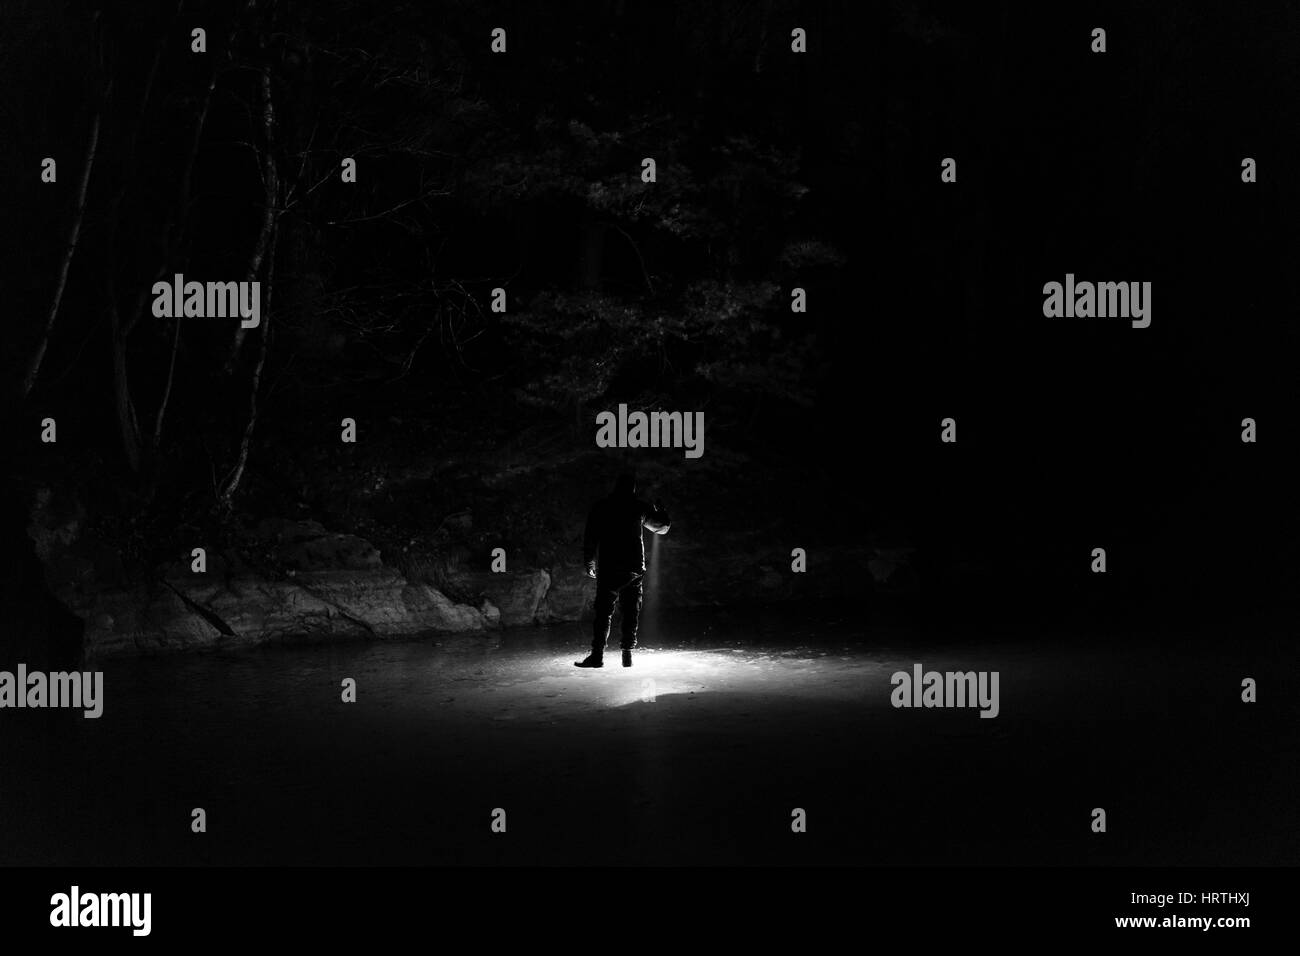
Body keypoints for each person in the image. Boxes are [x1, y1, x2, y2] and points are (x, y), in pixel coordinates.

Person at [575, 473, 670, 668]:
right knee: (631, 610)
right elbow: (661, 527)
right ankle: (627, 656)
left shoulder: (601, 507)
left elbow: (590, 537)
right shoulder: (639, 507)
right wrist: (662, 511)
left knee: (603, 612)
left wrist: (589, 563)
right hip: (633, 568)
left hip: (610, 567)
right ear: (633, 488)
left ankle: (597, 655)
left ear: (615, 486)